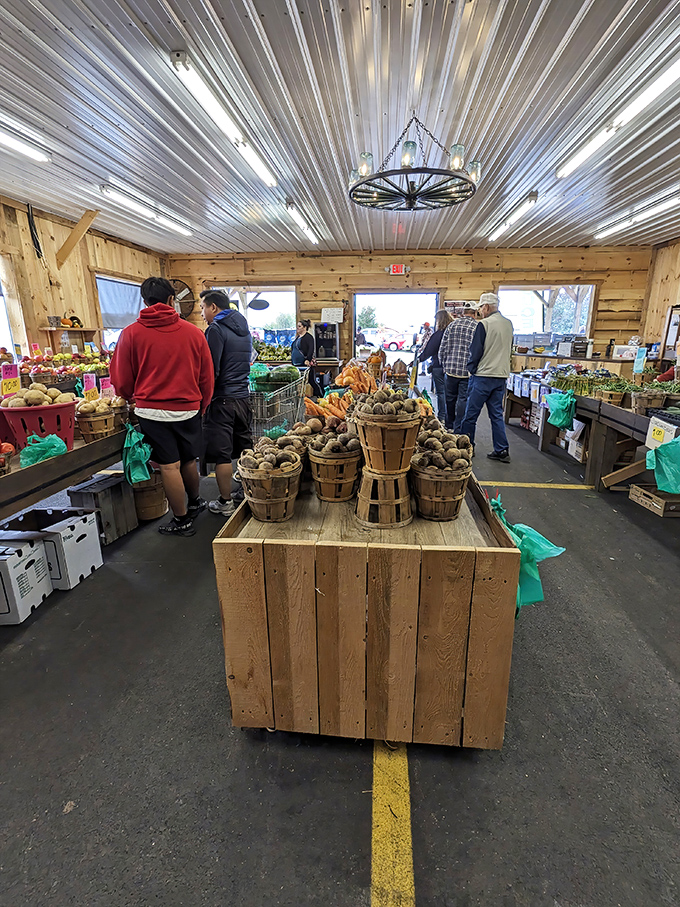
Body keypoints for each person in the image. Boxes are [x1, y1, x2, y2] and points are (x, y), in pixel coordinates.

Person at [111, 276, 214, 536]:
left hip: (151, 411)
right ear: (172, 300)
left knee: (169, 466)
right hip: (189, 407)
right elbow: (207, 376)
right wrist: (202, 404)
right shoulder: (194, 333)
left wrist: (130, 395)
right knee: (189, 459)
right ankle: (195, 502)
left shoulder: (130, 334)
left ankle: (182, 521)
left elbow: (121, 378)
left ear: (144, 302)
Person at [200, 290, 253, 517]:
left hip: (222, 399)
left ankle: (225, 502)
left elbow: (211, 370)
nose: (202, 314)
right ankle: (249, 490)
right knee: (244, 448)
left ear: (213, 307)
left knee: (222, 455)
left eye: (202, 308)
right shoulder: (244, 329)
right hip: (243, 397)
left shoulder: (216, 330)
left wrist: (203, 400)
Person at [460, 293, 514, 462]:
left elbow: (476, 350)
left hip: (483, 376)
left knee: (471, 414)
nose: (480, 312)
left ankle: (466, 448)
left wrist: (471, 368)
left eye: (481, 308)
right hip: (501, 376)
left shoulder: (484, 324)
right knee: (496, 414)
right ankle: (502, 449)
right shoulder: (508, 324)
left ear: (487, 307)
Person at [438, 304, 479, 431]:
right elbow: (479, 350)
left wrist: (444, 365)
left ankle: (449, 424)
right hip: (467, 371)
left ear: (463, 312)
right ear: (475, 313)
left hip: (450, 370)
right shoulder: (477, 327)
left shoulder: (452, 325)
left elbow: (442, 348)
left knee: (449, 398)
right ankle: (459, 427)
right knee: (463, 399)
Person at [418, 309, 452, 421]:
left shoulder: (439, 334)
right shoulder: (452, 333)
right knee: (451, 394)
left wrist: (419, 360)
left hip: (439, 366)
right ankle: (450, 418)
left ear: (440, 320)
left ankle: (442, 416)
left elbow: (429, 350)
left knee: (441, 393)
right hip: (452, 368)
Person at [291, 319, 321, 395]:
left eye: (299, 326)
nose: (297, 328)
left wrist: (308, 359)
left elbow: (311, 349)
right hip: (296, 364)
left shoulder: (308, 337)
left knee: (311, 381)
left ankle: (320, 396)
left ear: (305, 327)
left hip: (305, 364)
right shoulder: (297, 337)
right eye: (297, 326)